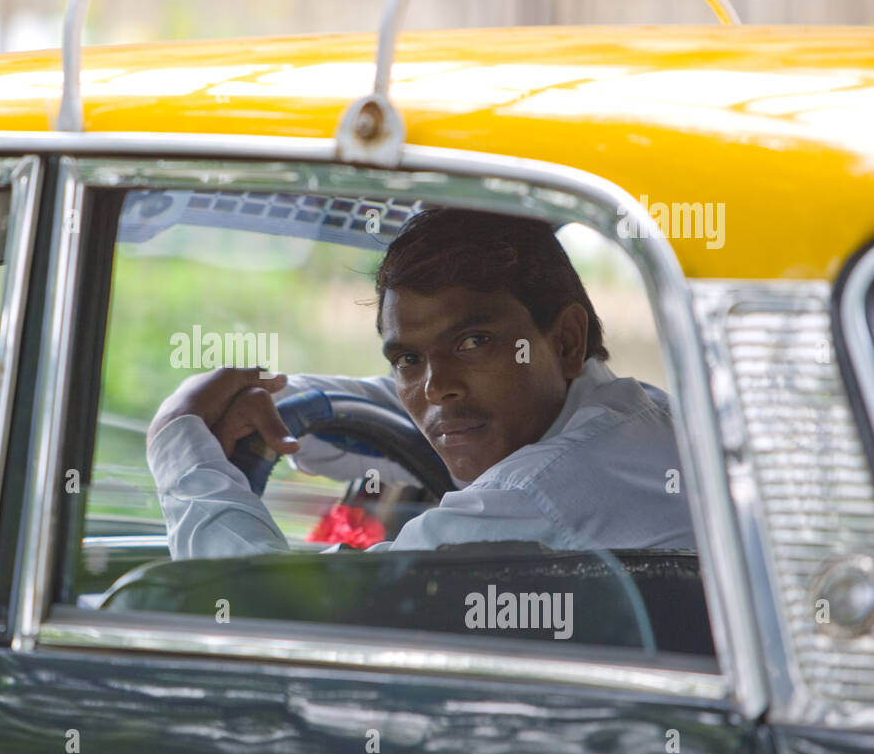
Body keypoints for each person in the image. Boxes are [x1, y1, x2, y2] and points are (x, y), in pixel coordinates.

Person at [146, 208, 696, 558]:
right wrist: (272, 400)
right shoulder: (638, 419)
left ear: (568, 341)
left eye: (473, 343)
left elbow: (259, 618)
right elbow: (392, 402)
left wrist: (178, 443)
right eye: (408, 357)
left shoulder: (530, 499)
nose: (436, 389)